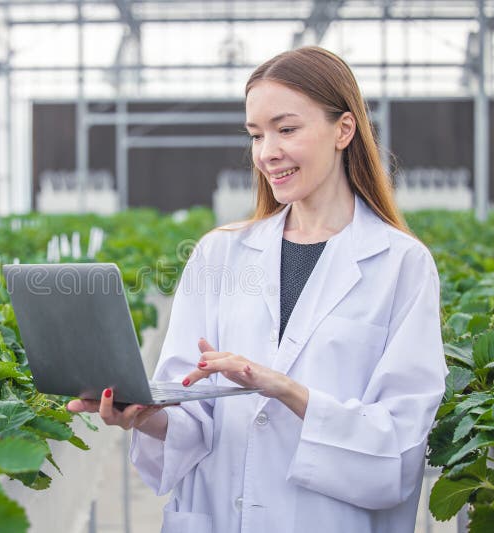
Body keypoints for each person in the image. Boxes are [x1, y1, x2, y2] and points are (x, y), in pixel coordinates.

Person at [67, 46, 447, 533]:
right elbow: (191, 418)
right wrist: (143, 416)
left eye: (286, 130)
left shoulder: (401, 264)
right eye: (256, 134)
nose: (267, 152)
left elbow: (399, 444)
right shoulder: (219, 254)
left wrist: (285, 390)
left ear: (344, 130)